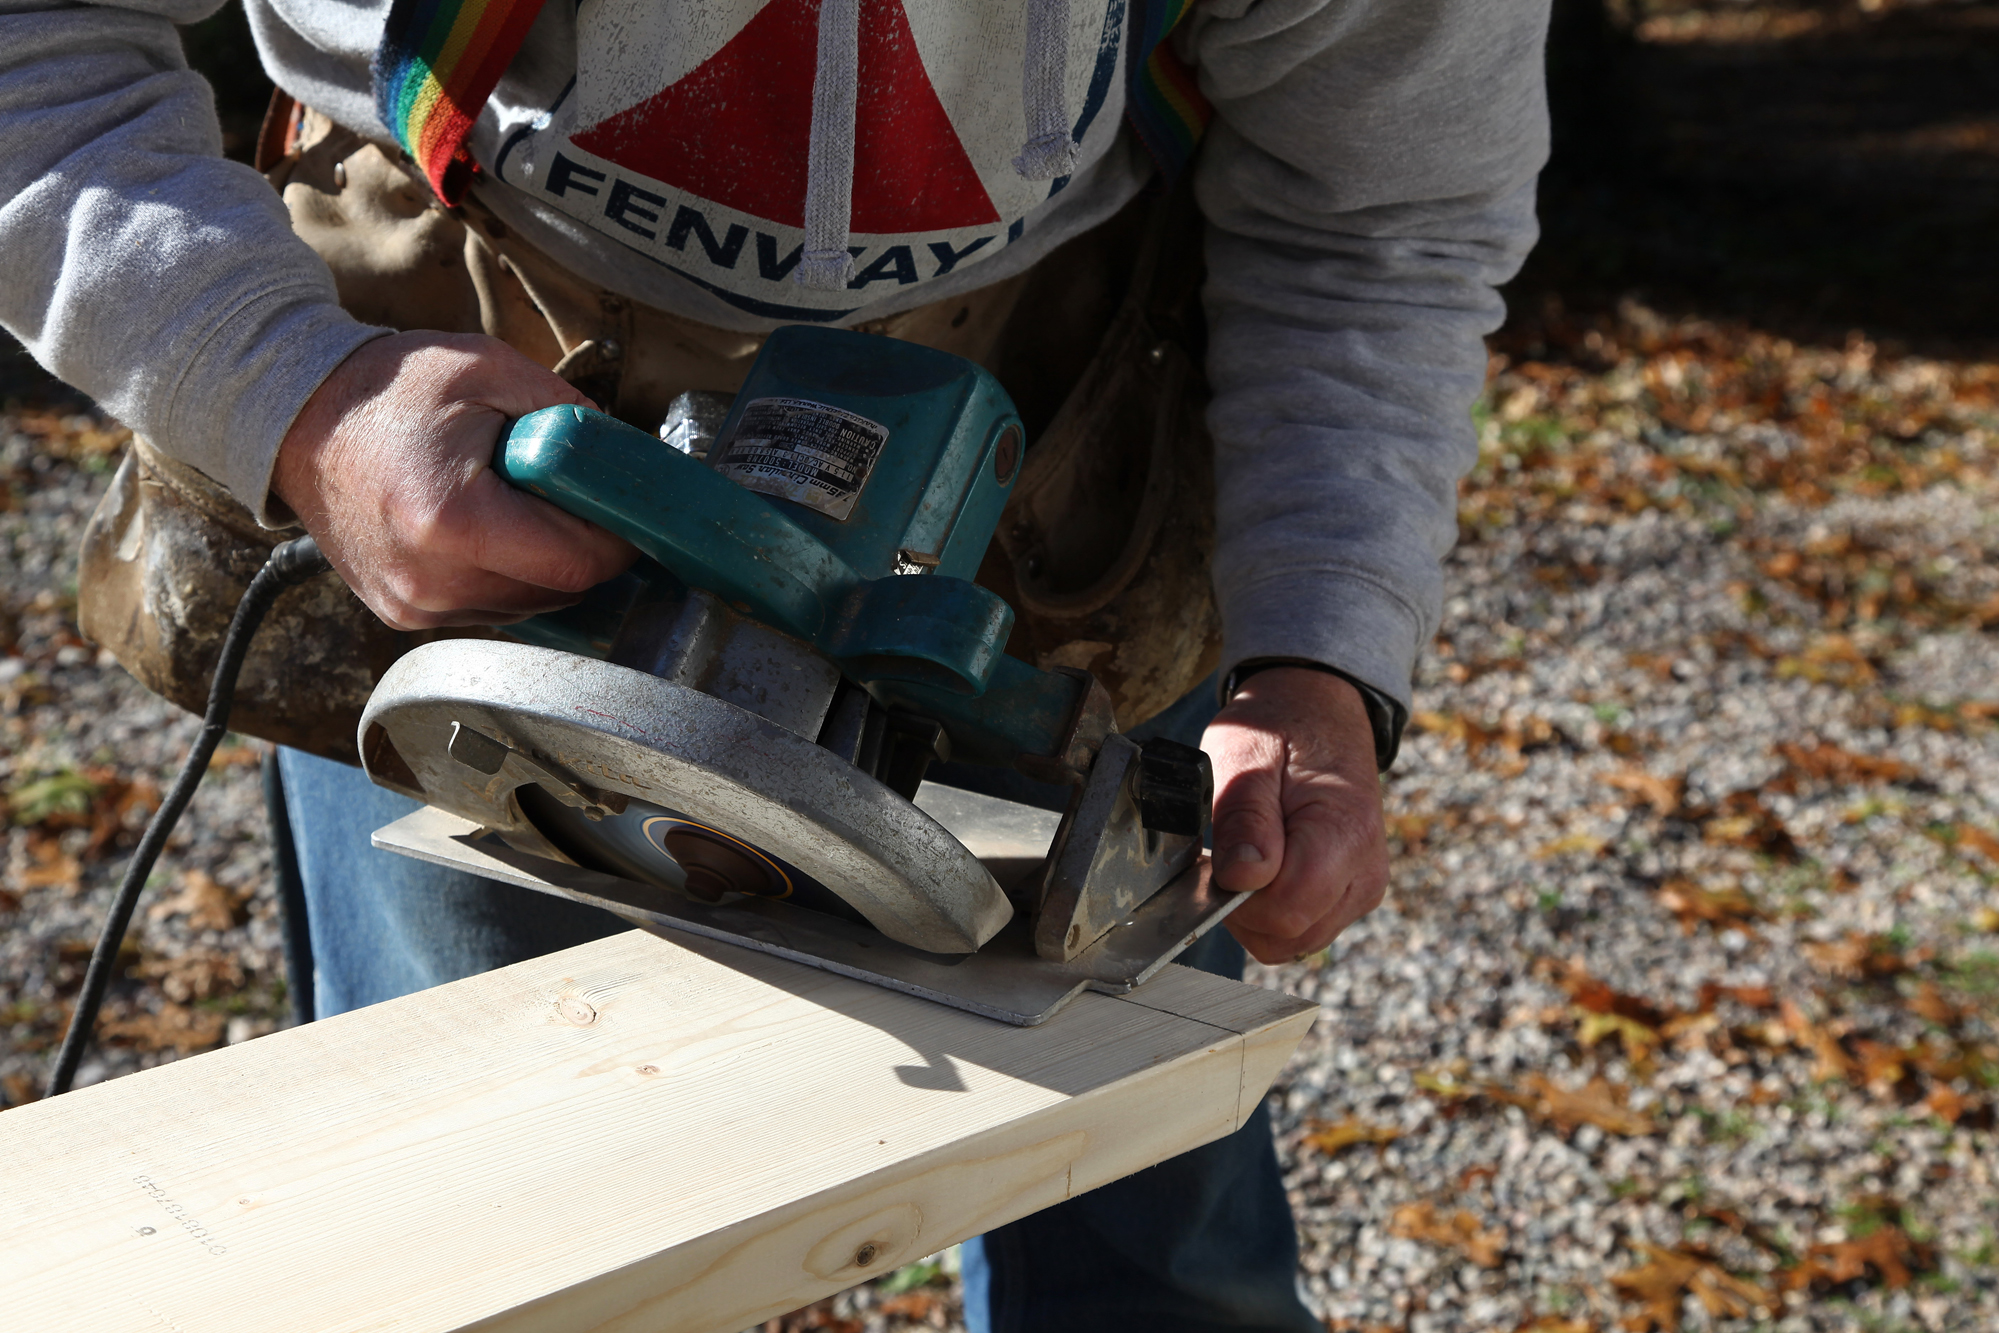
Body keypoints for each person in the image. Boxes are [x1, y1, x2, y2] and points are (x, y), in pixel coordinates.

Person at [1, 0, 1550, 1327]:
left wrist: (1319, 659)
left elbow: (1379, 208)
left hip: (1058, 413)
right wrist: (297, 390)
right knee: (473, 1227)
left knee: (1146, 1218)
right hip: (448, 393)